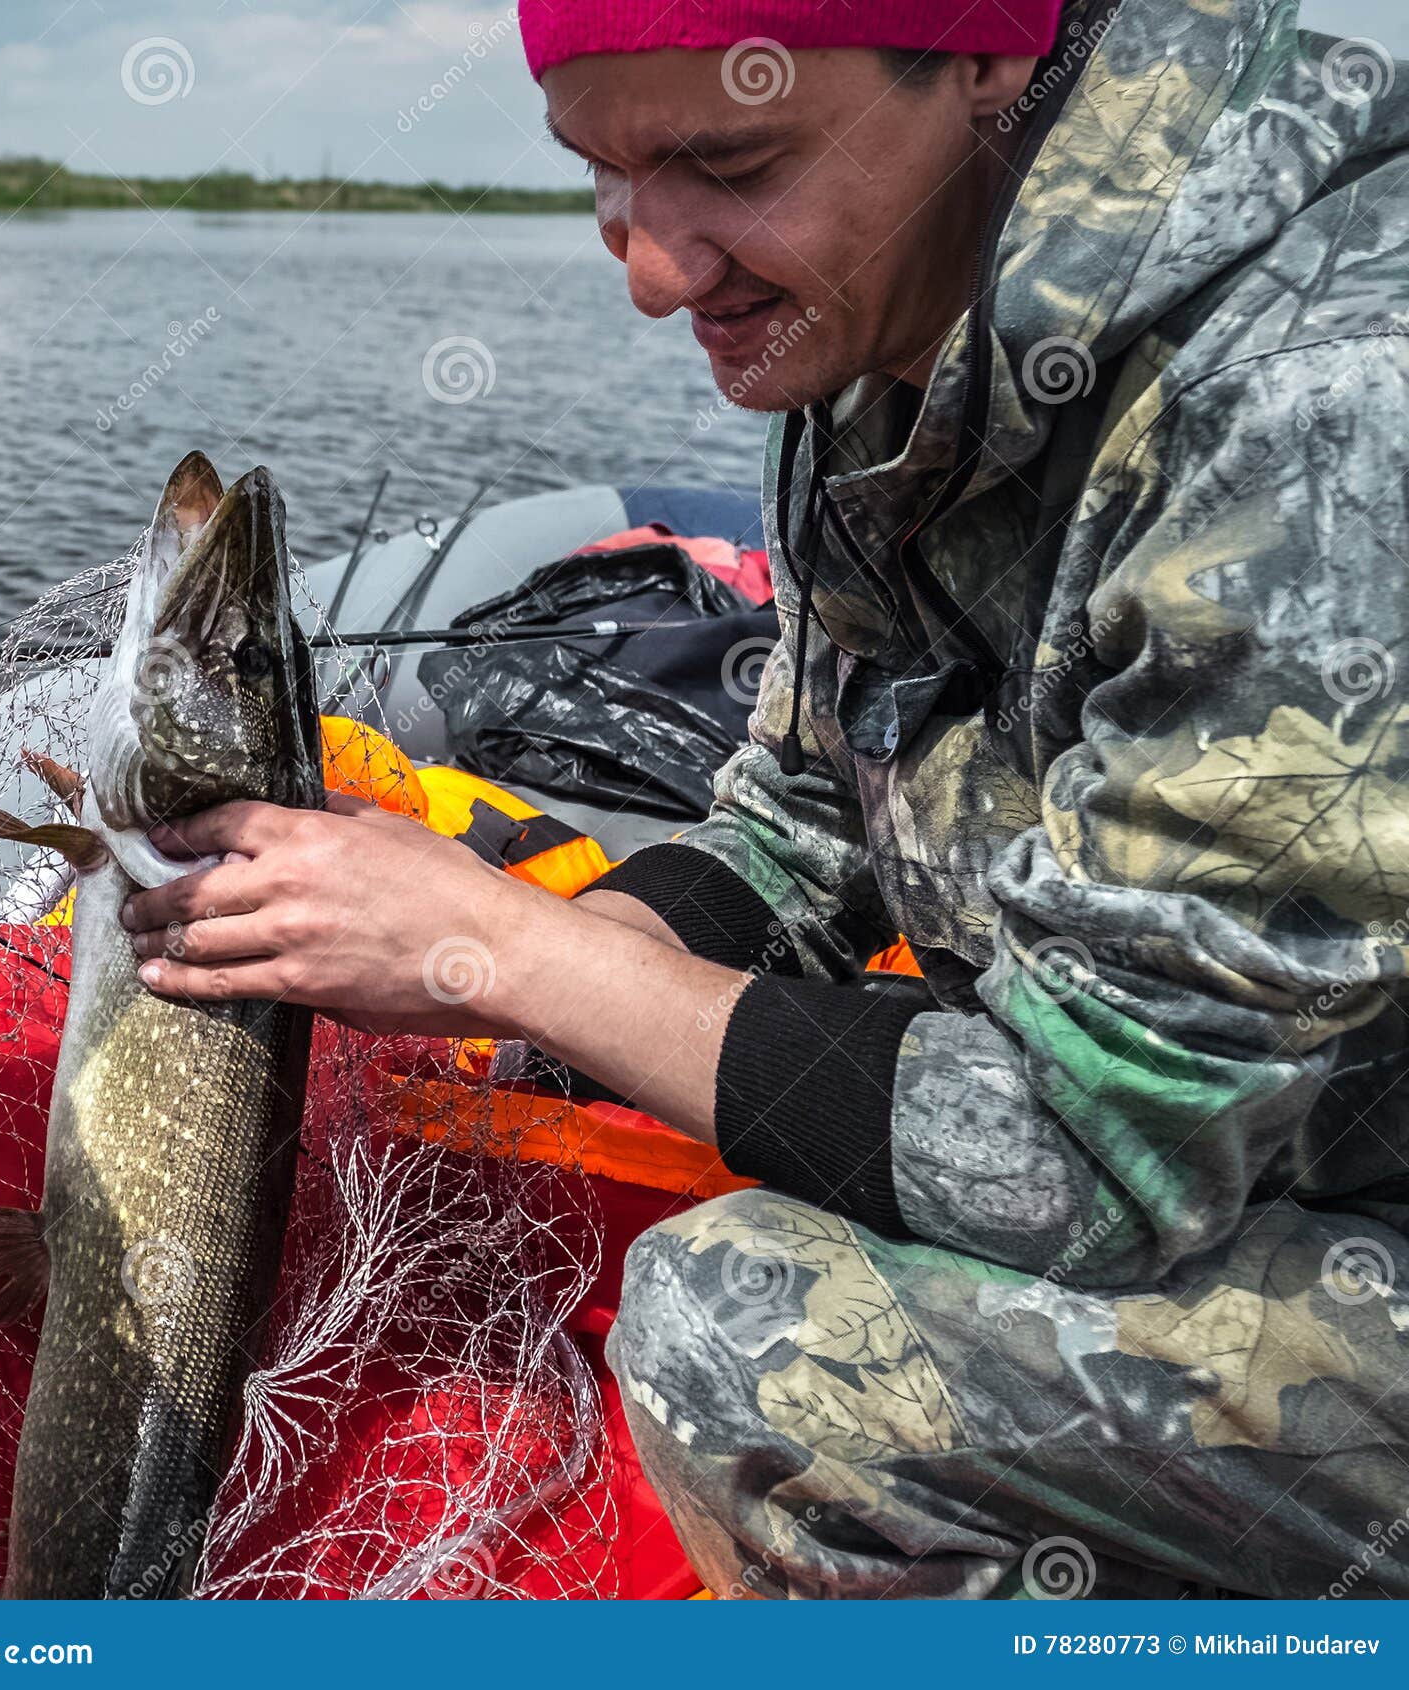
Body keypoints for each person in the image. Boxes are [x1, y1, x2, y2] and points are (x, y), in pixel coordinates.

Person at [121, 0, 1409, 1599]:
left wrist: (516, 956)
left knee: (749, 1339)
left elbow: (1102, 1155)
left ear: (991, 60)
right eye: (604, 177)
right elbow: (804, 806)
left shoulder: (1325, 404)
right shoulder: (891, 319)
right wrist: (518, 961)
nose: (656, 275)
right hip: (1254, 1152)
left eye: (726, 160)